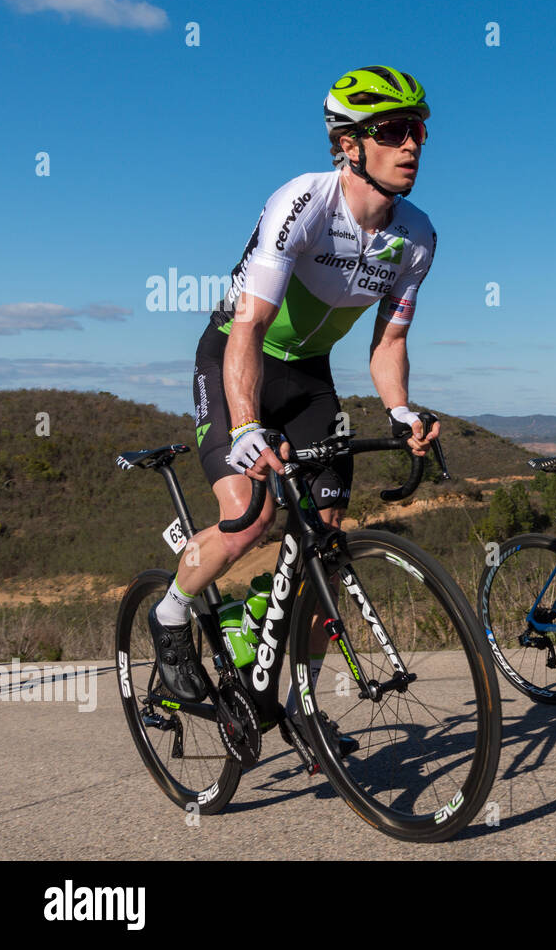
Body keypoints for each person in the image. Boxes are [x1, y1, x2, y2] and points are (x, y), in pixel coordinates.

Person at [147, 65, 441, 755]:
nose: (411, 145)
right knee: (247, 518)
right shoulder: (304, 203)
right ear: (348, 143)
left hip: (309, 381)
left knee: (328, 542)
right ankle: (169, 613)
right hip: (232, 360)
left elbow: (389, 340)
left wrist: (398, 410)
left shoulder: (418, 236)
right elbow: (247, 328)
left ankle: (304, 702)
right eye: (393, 131)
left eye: (419, 130)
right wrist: (246, 427)